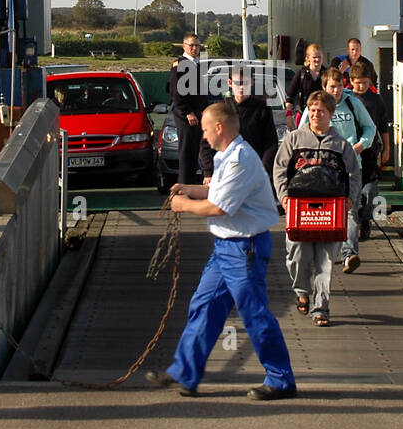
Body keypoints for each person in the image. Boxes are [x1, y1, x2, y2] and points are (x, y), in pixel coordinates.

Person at [146, 99, 296, 399]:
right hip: (227, 247)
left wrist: (184, 205)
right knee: (204, 305)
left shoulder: (240, 159)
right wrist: (190, 189)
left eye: (204, 130)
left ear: (218, 128)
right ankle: (185, 373)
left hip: (244, 248)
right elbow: (217, 191)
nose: (202, 136)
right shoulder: (227, 156)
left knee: (254, 313)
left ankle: (281, 379)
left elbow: (219, 207)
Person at [273, 89, 361, 326]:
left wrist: (350, 198)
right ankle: (301, 290)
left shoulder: (342, 145)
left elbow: (354, 174)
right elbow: (280, 169)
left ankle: (321, 308)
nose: (315, 115)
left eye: (320, 111)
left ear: (330, 114)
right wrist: (283, 197)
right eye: (312, 111)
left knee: (325, 261)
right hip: (299, 208)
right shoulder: (293, 139)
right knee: (297, 254)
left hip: (330, 209)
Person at [299, 66, 374, 273]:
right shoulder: (315, 106)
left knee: (349, 210)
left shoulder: (352, 103)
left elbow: (370, 127)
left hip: (350, 164)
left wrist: (361, 145)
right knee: (323, 210)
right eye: (332, 86)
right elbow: (301, 132)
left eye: (340, 86)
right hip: (322, 167)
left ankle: (349, 255)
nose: (337, 90)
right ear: (324, 87)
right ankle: (324, 251)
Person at [198, 67, 278, 183]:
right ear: (230, 83)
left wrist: (262, 169)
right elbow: (206, 144)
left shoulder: (262, 109)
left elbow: (270, 143)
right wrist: (208, 172)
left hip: (253, 171)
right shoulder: (221, 109)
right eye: (238, 83)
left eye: (245, 83)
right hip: (224, 172)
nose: (241, 87)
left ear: (251, 82)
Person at [349, 62, 390, 240]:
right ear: (351, 81)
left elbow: (383, 127)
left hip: (371, 150)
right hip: (352, 150)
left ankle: (366, 220)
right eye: (358, 82)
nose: (361, 86)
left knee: (370, 189)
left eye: (365, 82)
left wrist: (387, 149)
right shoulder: (347, 99)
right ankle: (354, 221)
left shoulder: (376, 100)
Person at [169, 33, 213, 185]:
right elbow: (176, 92)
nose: (195, 48)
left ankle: (192, 185)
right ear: (184, 46)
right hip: (187, 115)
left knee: (196, 151)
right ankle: (184, 187)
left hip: (198, 113)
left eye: (197, 45)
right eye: (191, 45)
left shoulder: (196, 64)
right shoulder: (180, 64)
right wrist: (187, 112)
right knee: (187, 152)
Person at [287, 43, 324, 125]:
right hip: (303, 114)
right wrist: (288, 115)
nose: (317, 59)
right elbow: (290, 96)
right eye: (314, 57)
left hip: (322, 115)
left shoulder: (327, 74)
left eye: (319, 57)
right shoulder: (301, 74)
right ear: (308, 58)